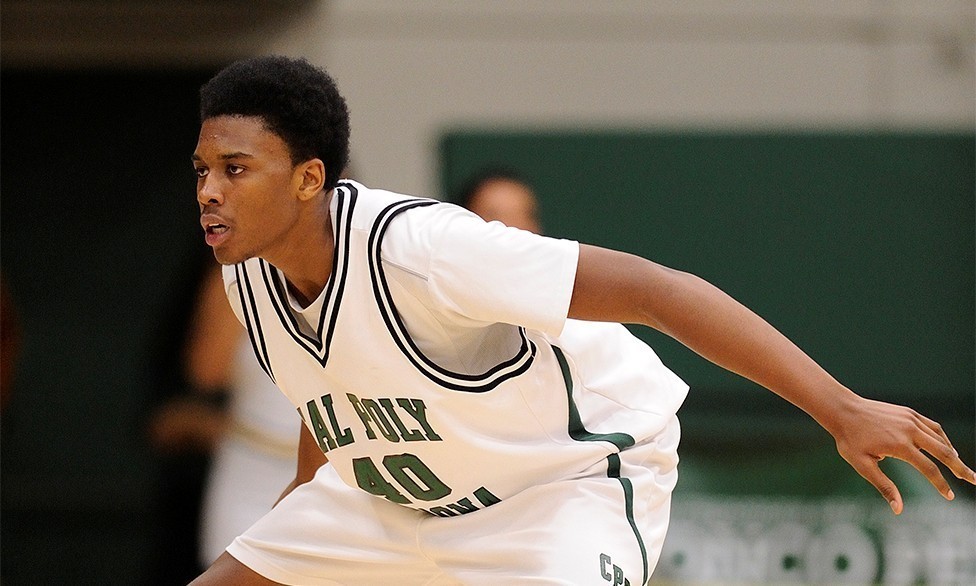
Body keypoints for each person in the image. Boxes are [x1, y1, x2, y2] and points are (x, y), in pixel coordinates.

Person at [188, 56, 975, 586]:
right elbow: (335, 389)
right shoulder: (249, 277)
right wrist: (300, 516)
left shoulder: (425, 250)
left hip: (564, 482)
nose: (209, 192)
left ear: (308, 180)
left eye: (235, 169)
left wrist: (840, 408)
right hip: (406, 498)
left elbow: (660, 292)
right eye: (202, 171)